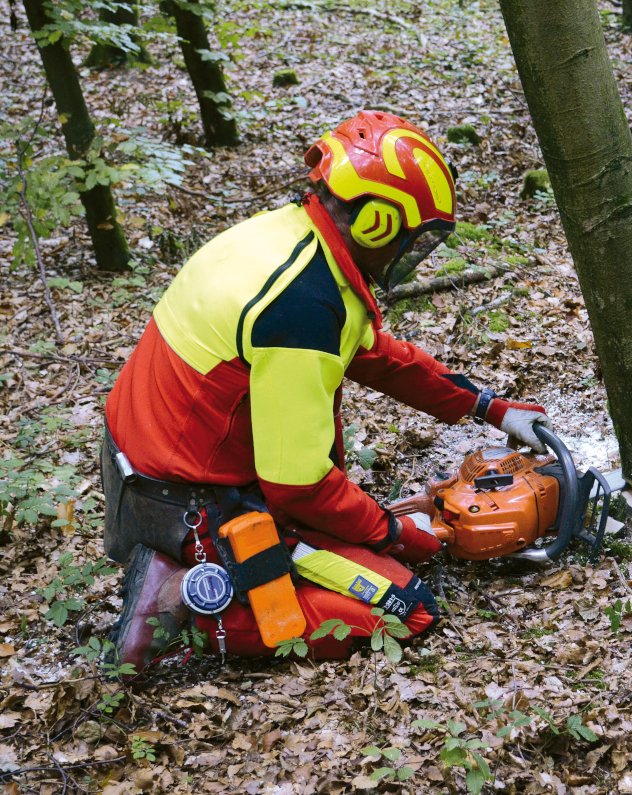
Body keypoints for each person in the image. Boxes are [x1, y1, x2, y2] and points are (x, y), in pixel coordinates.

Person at [101, 111, 550, 673]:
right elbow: (297, 485)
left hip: (148, 468)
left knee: (357, 542)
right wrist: (393, 534)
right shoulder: (303, 306)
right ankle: (188, 604)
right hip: (195, 505)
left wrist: (488, 407)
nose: (409, 254)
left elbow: (372, 354)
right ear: (377, 223)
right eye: (412, 239)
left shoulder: (288, 237)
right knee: (405, 609)